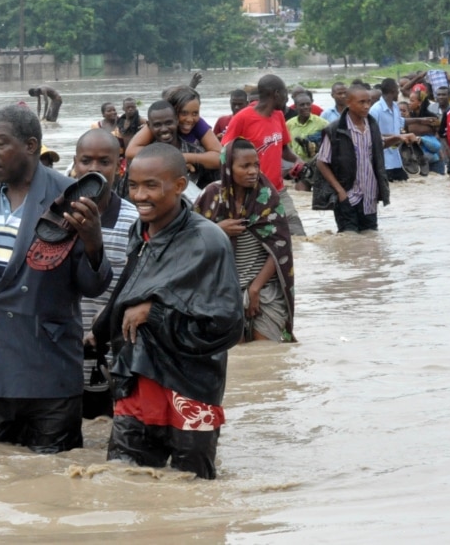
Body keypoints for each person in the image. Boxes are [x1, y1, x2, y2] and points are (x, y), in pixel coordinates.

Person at [0, 104, 112, 453]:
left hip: (47, 364)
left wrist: (92, 240)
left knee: (52, 479)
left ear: (30, 146)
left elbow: (93, 286)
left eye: (0, 143)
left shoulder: (71, 195)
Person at [95, 143, 244, 479]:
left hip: (189, 382)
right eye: (132, 186)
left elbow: (227, 325)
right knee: (123, 477)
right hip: (138, 371)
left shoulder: (208, 241)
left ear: (179, 186)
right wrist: (102, 328)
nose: (139, 196)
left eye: (151, 185)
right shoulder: (141, 230)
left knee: (191, 484)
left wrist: (158, 314)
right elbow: (131, 286)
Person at [194, 140, 296, 343]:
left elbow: (281, 247)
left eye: (256, 165)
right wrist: (217, 230)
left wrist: (255, 288)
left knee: (266, 355)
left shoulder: (267, 196)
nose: (253, 171)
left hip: (265, 286)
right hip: (222, 289)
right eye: (245, 166)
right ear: (228, 168)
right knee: (234, 350)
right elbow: (189, 240)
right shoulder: (211, 196)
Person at [72, 130, 139, 420]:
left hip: (114, 350)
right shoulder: (57, 217)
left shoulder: (134, 220)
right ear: (75, 164)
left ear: (119, 166)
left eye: (104, 162)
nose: (94, 169)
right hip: (67, 349)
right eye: (86, 161)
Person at [221, 74, 307, 237]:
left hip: (278, 189)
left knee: (298, 235)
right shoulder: (243, 118)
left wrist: (298, 160)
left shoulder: (279, 116)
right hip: (251, 191)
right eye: (285, 94)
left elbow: (284, 149)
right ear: (276, 94)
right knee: (258, 237)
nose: (288, 99)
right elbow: (225, 154)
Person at [314, 86, 390, 233]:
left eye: (369, 102)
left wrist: (398, 138)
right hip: (347, 196)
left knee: (371, 238)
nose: (366, 106)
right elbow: (322, 162)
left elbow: (378, 148)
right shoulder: (336, 129)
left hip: (369, 196)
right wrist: (340, 191)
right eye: (361, 102)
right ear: (348, 103)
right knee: (348, 236)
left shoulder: (372, 126)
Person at [126, 86, 222, 178]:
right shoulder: (159, 124)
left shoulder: (198, 123)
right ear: (173, 113)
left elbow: (220, 157)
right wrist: (172, 159)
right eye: (184, 113)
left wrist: (184, 158)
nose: (189, 119)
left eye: (195, 113)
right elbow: (131, 151)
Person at [369, 78, 420, 183]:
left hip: (397, 160)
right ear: (392, 91)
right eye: (397, 89)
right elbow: (371, 134)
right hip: (383, 162)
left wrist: (421, 120)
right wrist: (397, 137)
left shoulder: (396, 107)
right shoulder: (375, 110)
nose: (399, 92)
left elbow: (400, 122)